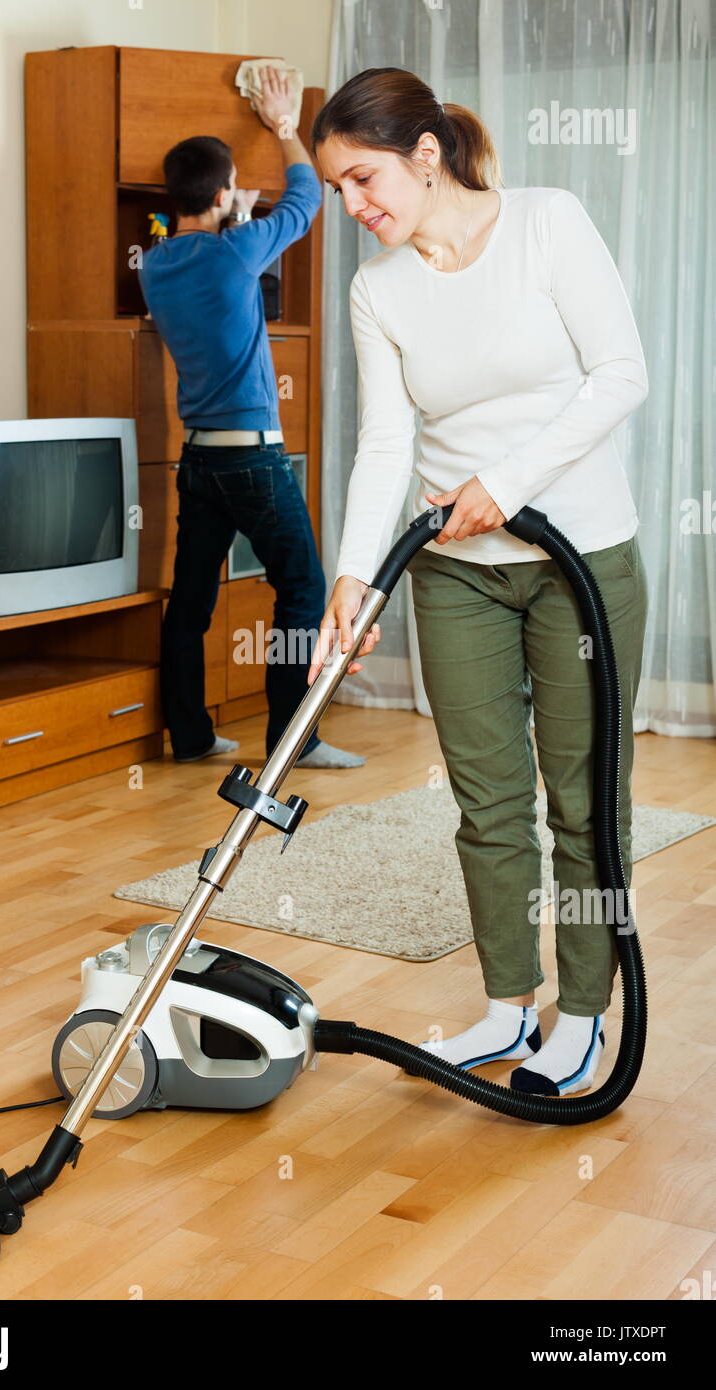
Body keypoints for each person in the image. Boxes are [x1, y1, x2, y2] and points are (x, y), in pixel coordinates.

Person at [308, 67, 649, 1097]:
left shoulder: (548, 223)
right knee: (486, 802)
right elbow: (381, 442)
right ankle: (508, 1005)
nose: (354, 208)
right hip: (455, 575)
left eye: (363, 179)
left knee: (585, 803)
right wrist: (353, 576)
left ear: (423, 155)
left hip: (578, 562)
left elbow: (620, 373)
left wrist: (502, 483)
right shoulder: (379, 290)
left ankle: (583, 1015)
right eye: (336, 191)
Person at [140, 66, 363, 770]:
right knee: (300, 586)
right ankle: (291, 745)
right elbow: (305, 200)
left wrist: (230, 210)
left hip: (198, 459)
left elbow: (207, 259)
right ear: (219, 193)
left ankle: (191, 737)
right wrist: (284, 128)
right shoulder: (237, 251)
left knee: (192, 600)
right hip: (252, 460)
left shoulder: (154, 265)